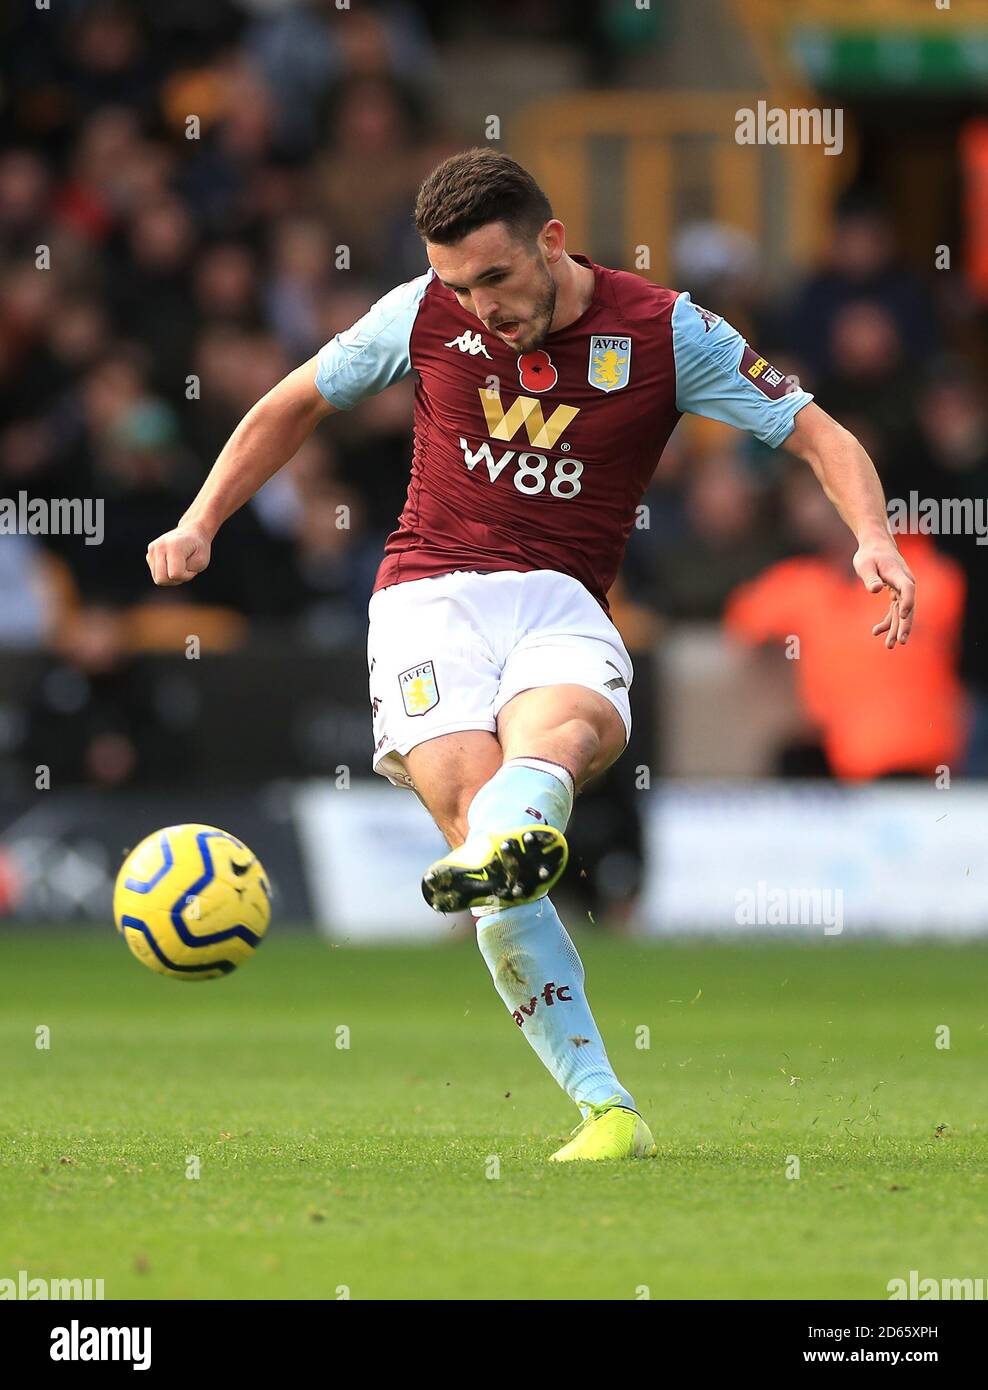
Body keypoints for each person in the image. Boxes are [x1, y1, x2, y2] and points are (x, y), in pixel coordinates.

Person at [146, 149, 915, 1161]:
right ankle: (608, 1107)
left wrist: (872, 535)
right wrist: (200, 518)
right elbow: (291, 401)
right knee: (485, 845)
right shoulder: (420, 311)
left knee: (562, 735)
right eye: (457, 284)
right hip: (425, 598)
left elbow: (817, 433)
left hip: (560, 597)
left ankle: (523, 833)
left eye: (494, 279)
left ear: (550, 241)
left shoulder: (665, 329)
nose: (477, 307)